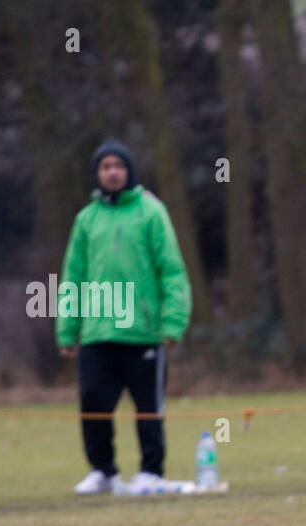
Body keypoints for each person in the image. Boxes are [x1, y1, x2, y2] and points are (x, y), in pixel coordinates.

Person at [57, 139, 192, 495]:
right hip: (98, 333)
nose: (113, 172)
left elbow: (173, 271)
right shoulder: (86, 219)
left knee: (148, 407)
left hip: (144, 333)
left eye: (119, 165)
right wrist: (67, 330)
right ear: (97, 174)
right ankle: (103, 471)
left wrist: (173, 321)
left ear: (129, 171)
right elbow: (73, 277)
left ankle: (151, 471)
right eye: (105, 166)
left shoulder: (151, 212)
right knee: (93, 403)